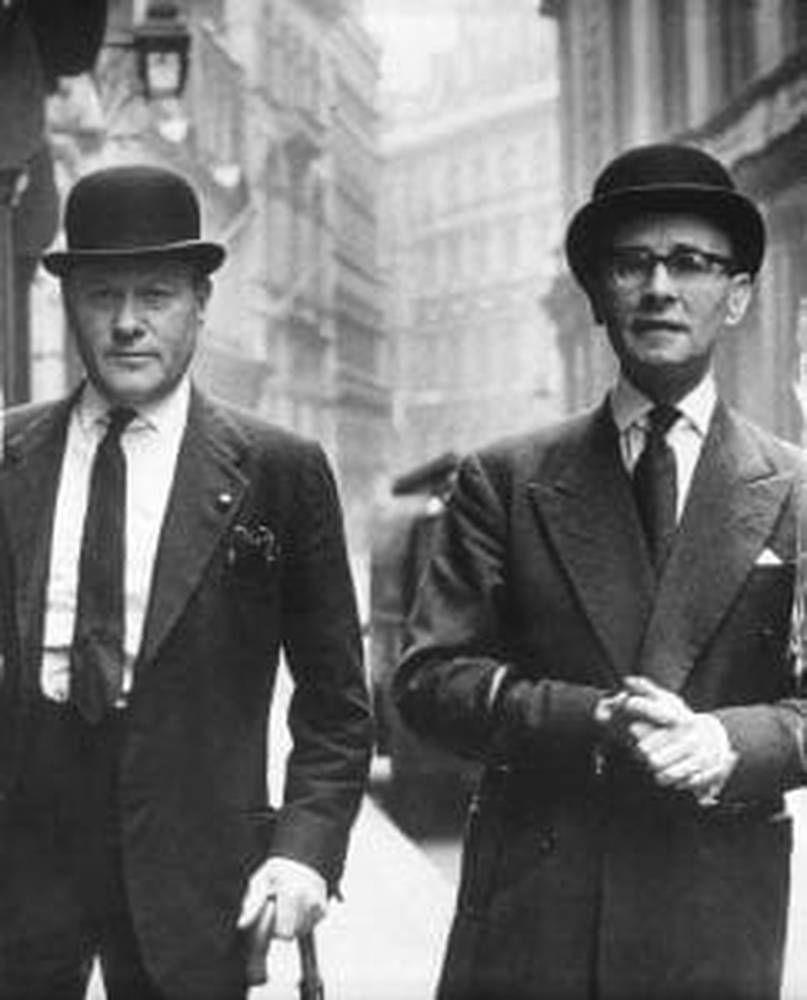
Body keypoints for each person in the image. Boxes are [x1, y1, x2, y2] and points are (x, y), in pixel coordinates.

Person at [394, 143, 807, 1000]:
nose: (658, 287)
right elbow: (430, 679)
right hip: (536, 908)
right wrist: (590, 721)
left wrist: (727, 742)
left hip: (712, 918)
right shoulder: (504, 479)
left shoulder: (795, 488)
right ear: (593, 293)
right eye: (630, 264)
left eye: (688, 262)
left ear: (736, 297)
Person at [0, 164, 372, 1000]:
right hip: (21, 871)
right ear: (68, 304)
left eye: (157, 295)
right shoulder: (8, 456)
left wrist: (304, 854)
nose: (128, 323)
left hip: (195, 877)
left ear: (201, 303)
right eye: (103, 295)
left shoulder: (277, 471)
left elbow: (337, 709)